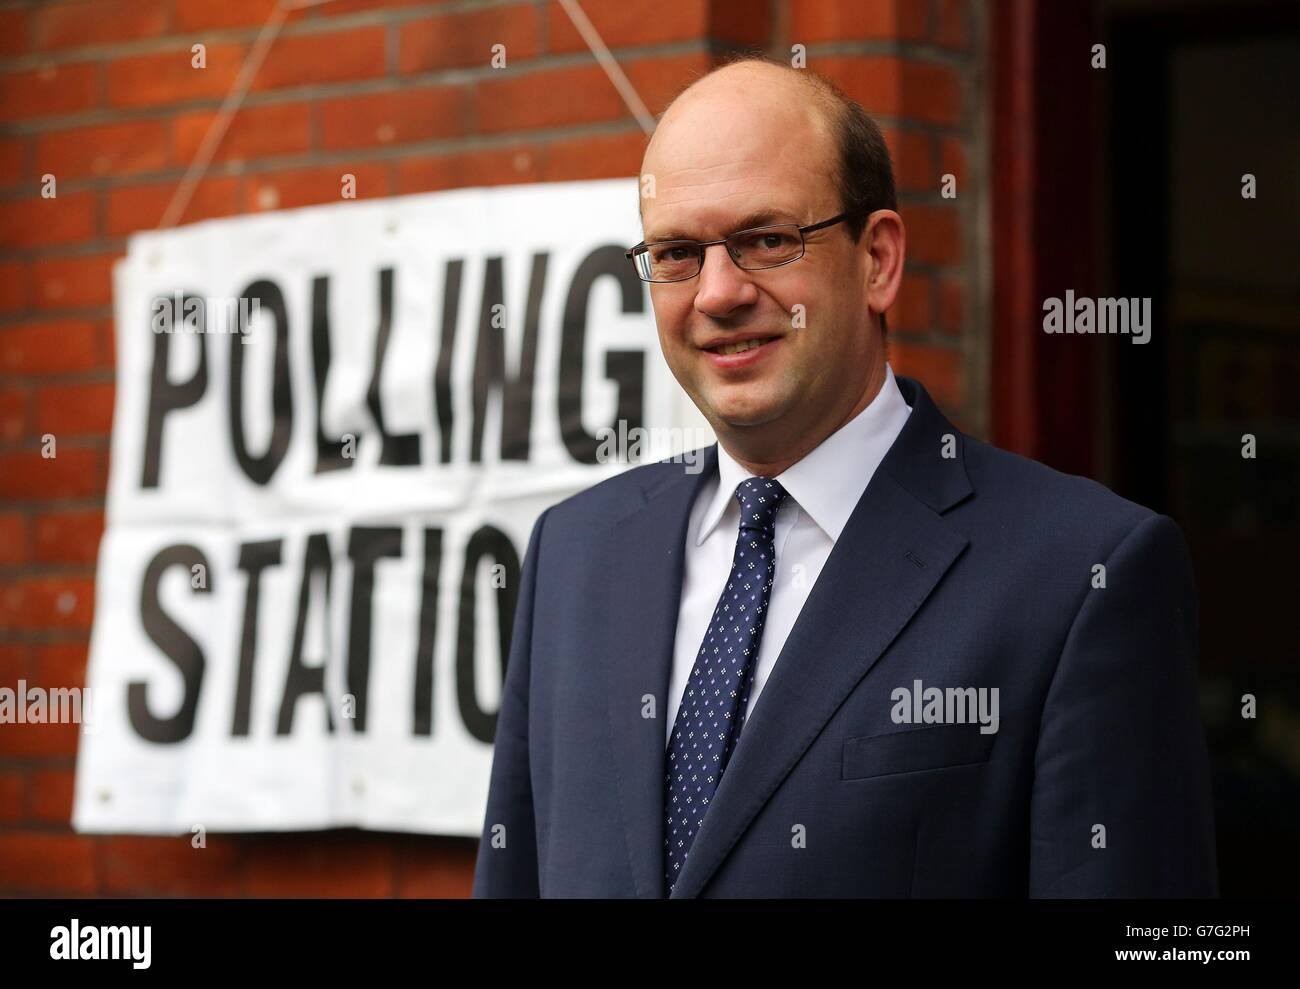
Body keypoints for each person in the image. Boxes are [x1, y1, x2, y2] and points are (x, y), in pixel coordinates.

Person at [472, 56, 1217, 897]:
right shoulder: (576, 554)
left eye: (766, 239)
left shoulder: (1082, 573)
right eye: (679, 252)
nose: (718, 292)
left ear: (879, 261)